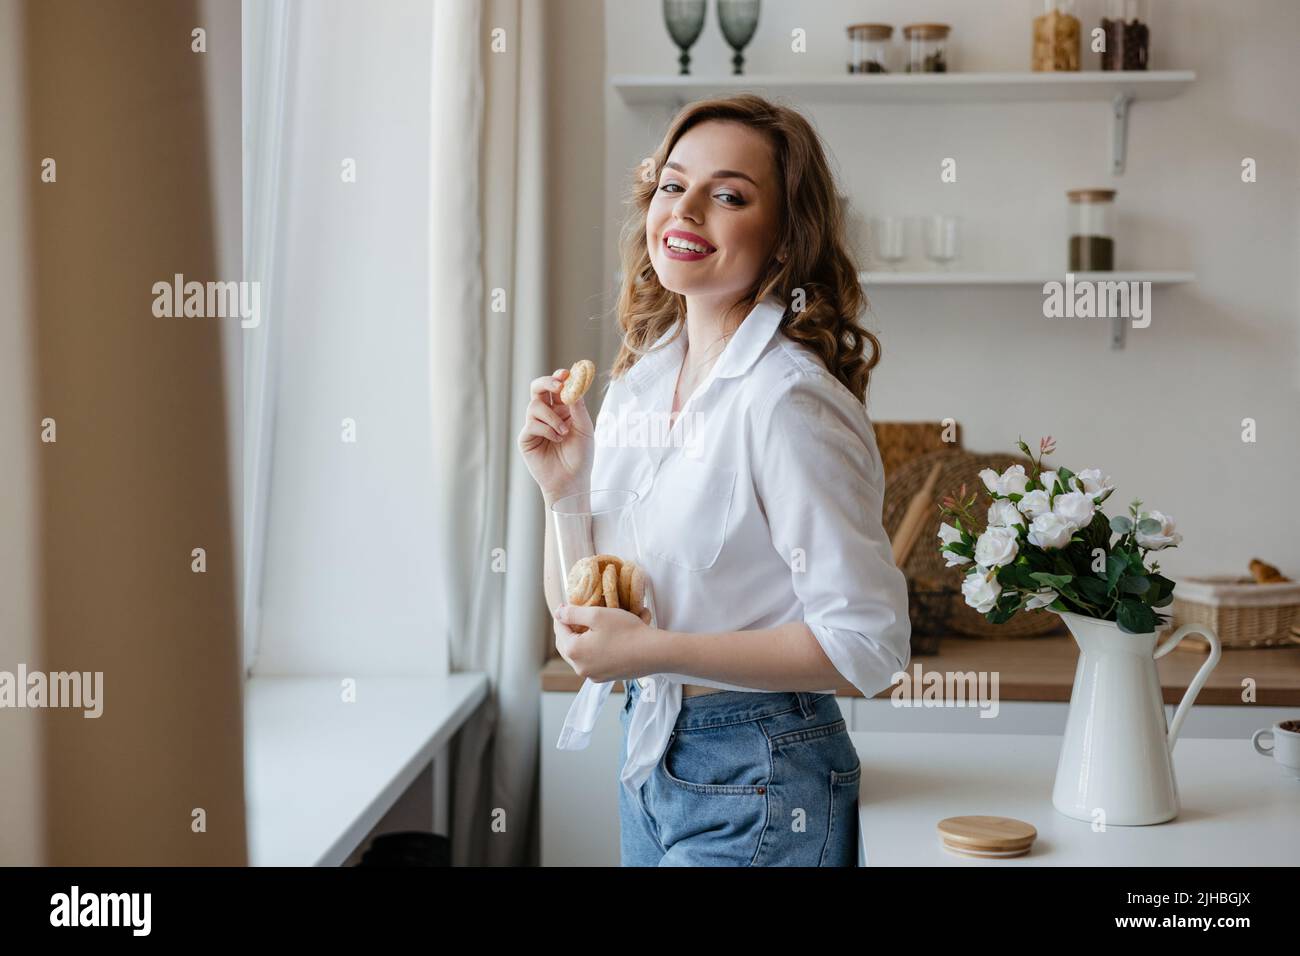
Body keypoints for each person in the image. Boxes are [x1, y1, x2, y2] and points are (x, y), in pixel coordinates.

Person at [517, 94, 910, 866]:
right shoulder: (637, 385)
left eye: (729, 195)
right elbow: (584, 628)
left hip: (763, 775)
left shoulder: (787, 401)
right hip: (649, 759)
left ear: (784, 239)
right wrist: (562, 492)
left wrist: (656, 650)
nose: (687, 209)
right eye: (672, 184)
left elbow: (869, 646)